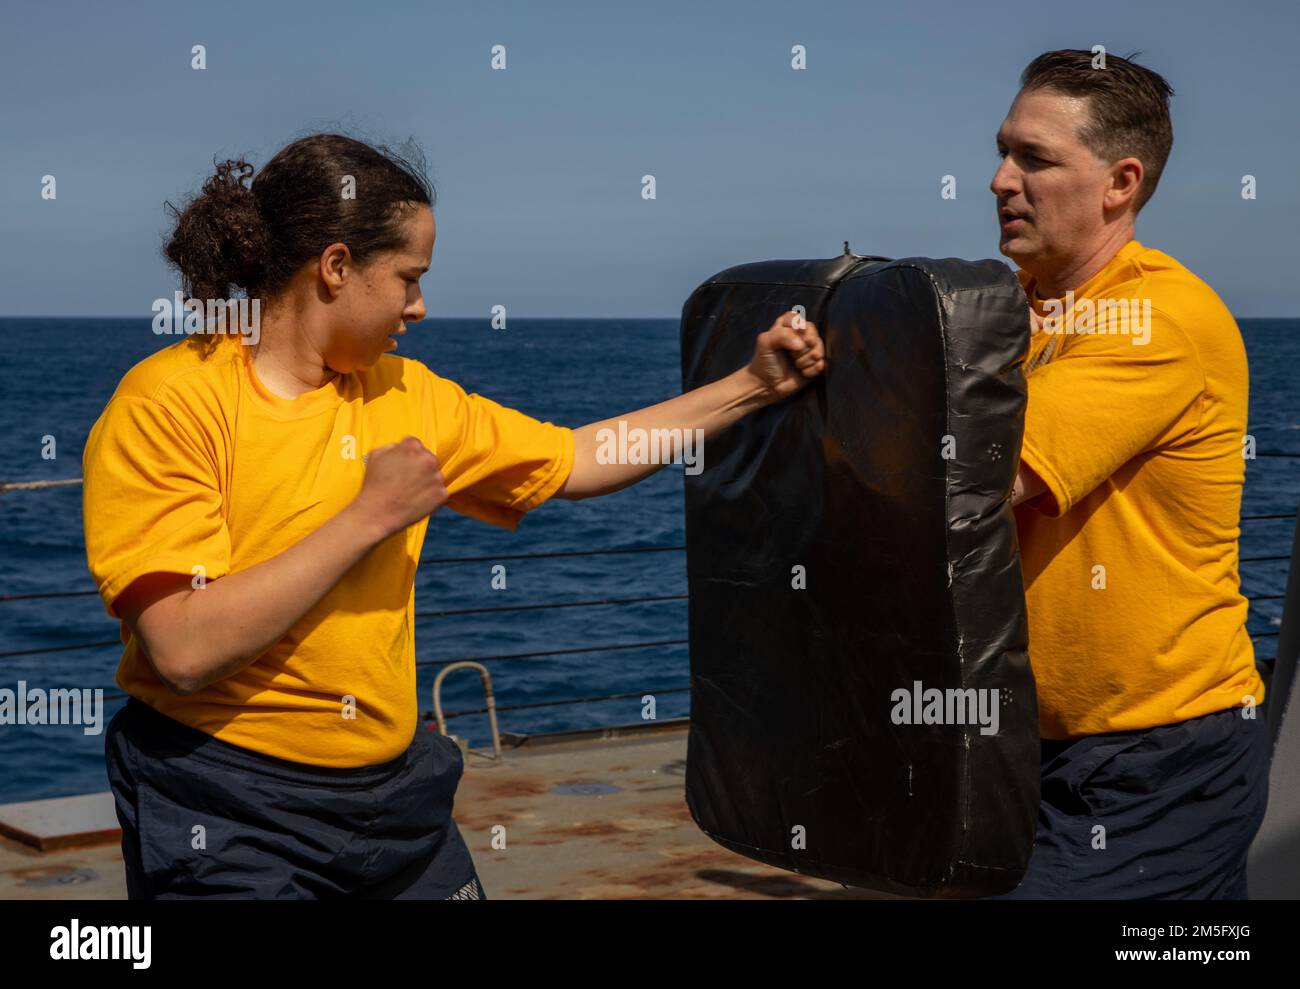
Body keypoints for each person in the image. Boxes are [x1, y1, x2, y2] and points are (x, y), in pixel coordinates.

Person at [86, 133, 825, 899]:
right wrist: (367, 515)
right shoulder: (172, 400)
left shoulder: (409, 394)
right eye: (408, 278)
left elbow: (576, 458)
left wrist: (751, 386)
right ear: (336, 267)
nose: (420, 304)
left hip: (393, 802)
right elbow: (180, 644)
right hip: (228, 805)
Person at [990, 50, 1269, 898]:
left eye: (1034, 159)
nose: (1002, 180)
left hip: (1156, 754)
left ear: (1120, 181)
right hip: (1024, 740)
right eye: (1003, 151)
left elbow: (977, 479)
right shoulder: (1019, 310)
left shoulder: (1155, 317)